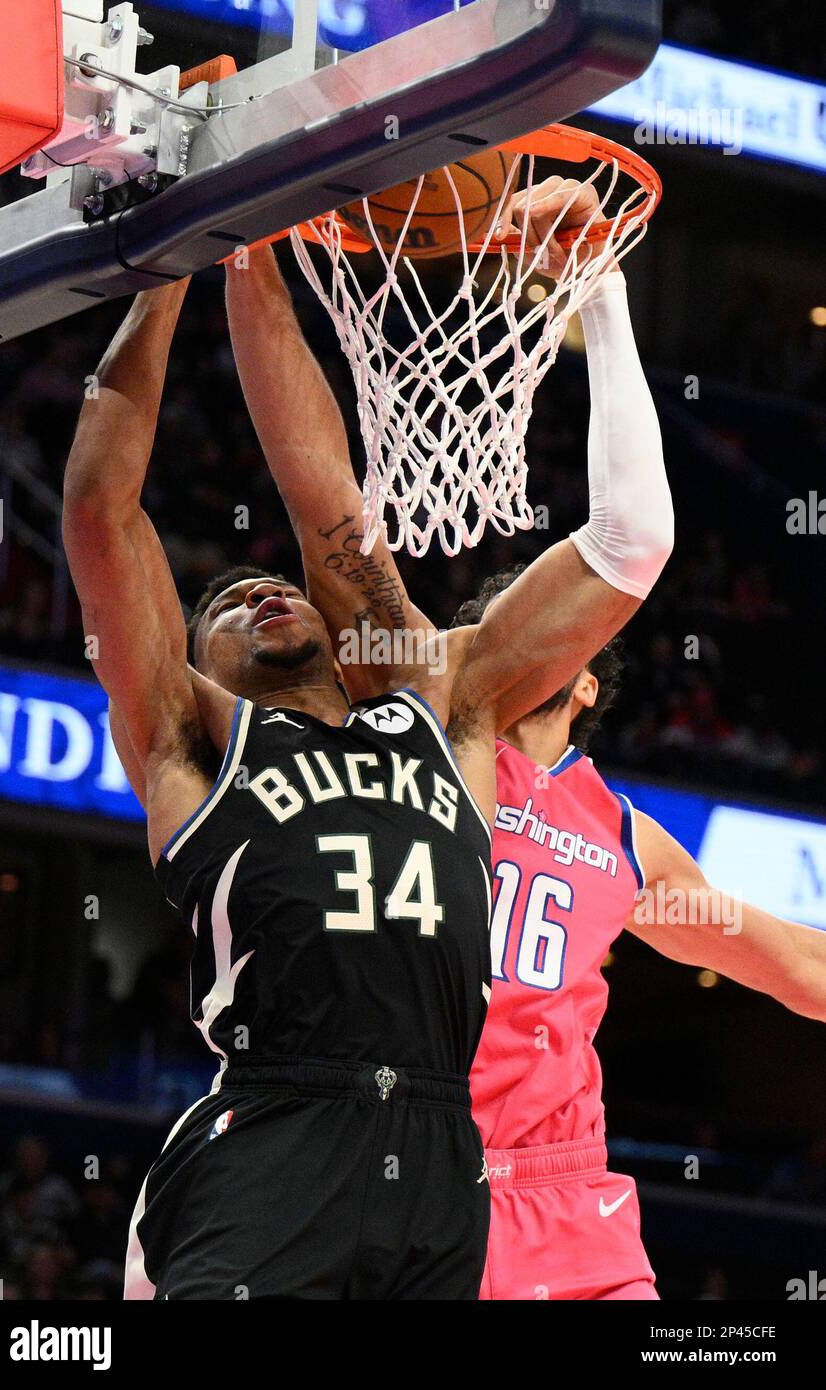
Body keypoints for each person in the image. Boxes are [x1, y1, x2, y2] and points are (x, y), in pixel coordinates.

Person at [62, 179, 671, 1301]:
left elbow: (327, 499)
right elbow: (103, 509)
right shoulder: (190, 746)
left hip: (439, 1158)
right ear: (197, 662)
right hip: (273, 1130)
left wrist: (255, 254)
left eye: (271, 586)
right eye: (228, 604)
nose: (258, 594)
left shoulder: (439, 713)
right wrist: (170, 265)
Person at [225, 179, 826, 1300]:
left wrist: (598, 294)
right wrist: (243, 253)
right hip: (404, 1174)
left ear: (581, 670)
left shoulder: (624, 840)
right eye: (485, 620)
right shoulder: (421, 718)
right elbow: (325, 508)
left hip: (566, 1205)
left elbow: (794, 966)